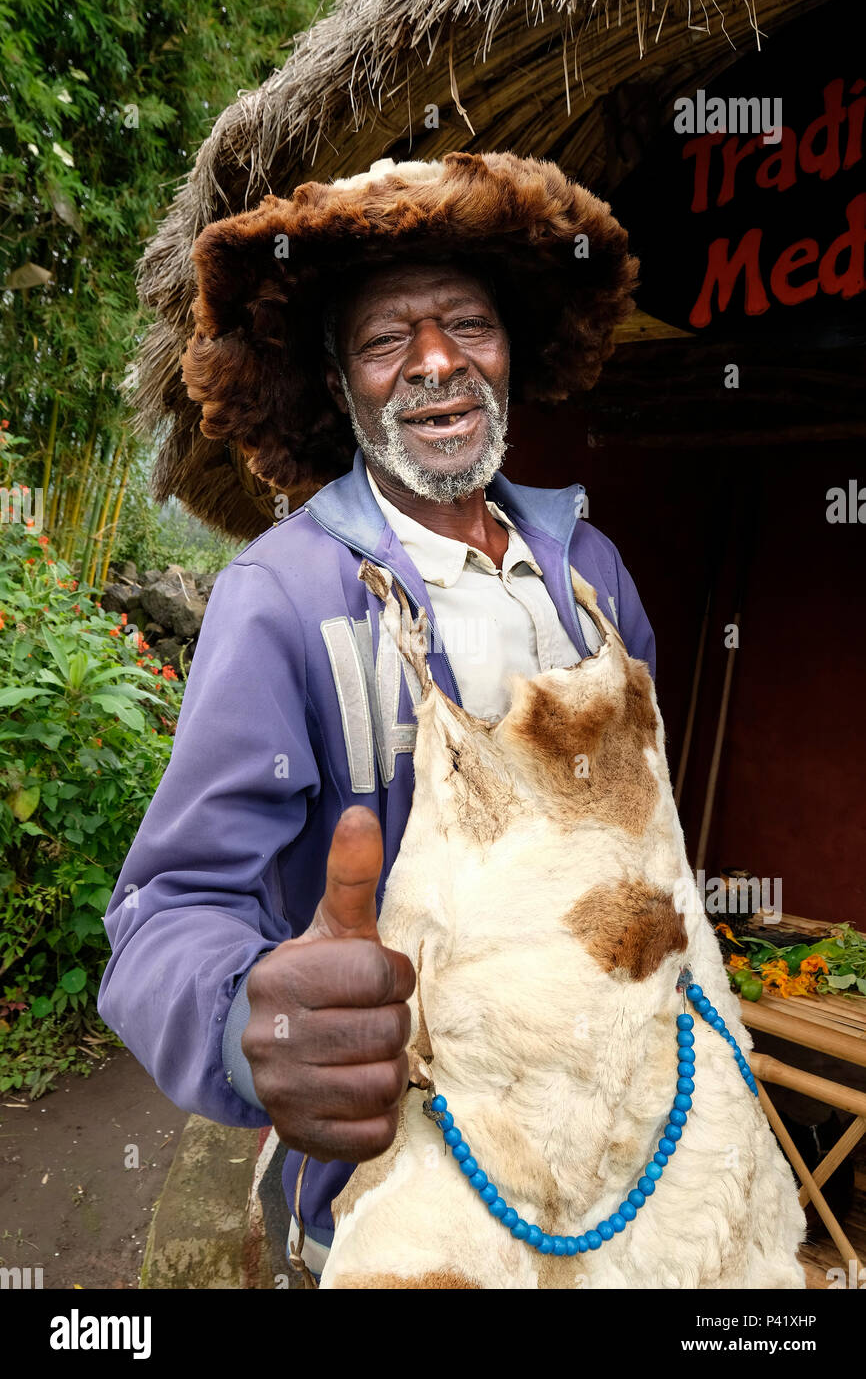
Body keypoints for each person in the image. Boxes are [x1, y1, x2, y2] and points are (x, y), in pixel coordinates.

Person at [98, 152, 656, 1275]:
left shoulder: (591, 574)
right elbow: (166, 910)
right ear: (339, 381)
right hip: (393, 1182)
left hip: (610, 1154)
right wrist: (249, 1027)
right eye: (385, 339)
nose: (435, 362)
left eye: (466, 324)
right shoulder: (284, 598)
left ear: (513, 353)